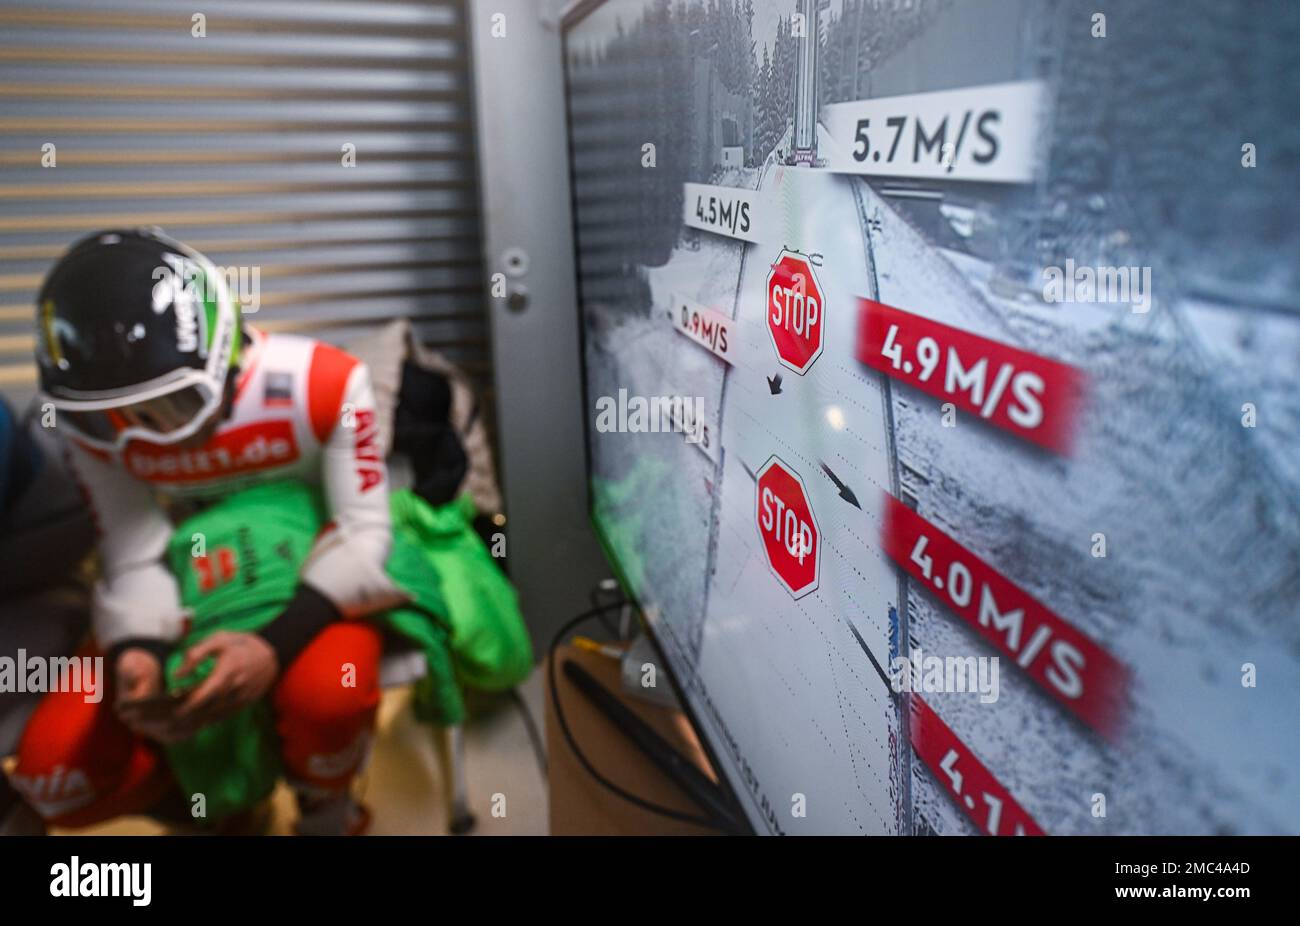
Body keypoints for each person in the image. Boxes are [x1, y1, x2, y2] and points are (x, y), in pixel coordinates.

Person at [8, 228, 403, 834]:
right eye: (105, 415)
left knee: (329, 694)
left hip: (301, 580)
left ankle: (327, 807)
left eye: (174, 406)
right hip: (186, 589)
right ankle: (209, 796)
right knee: (53, 777)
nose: (142, 435)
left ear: (224, 351)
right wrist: (143, 652)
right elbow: (133, 555)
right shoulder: (97, 433)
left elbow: (366, 532)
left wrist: (272, 646)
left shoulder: (324, 383)